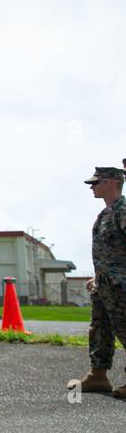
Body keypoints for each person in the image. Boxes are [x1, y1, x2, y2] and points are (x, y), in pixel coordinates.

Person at [69, 165, 126, 397]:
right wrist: (97, 276)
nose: (92, 187)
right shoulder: (107, 213)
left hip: (120, 283)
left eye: (97, 182)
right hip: (104, 283)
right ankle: (98, 375)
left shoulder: (123, 211)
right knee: (99, 329)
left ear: (112, 183)